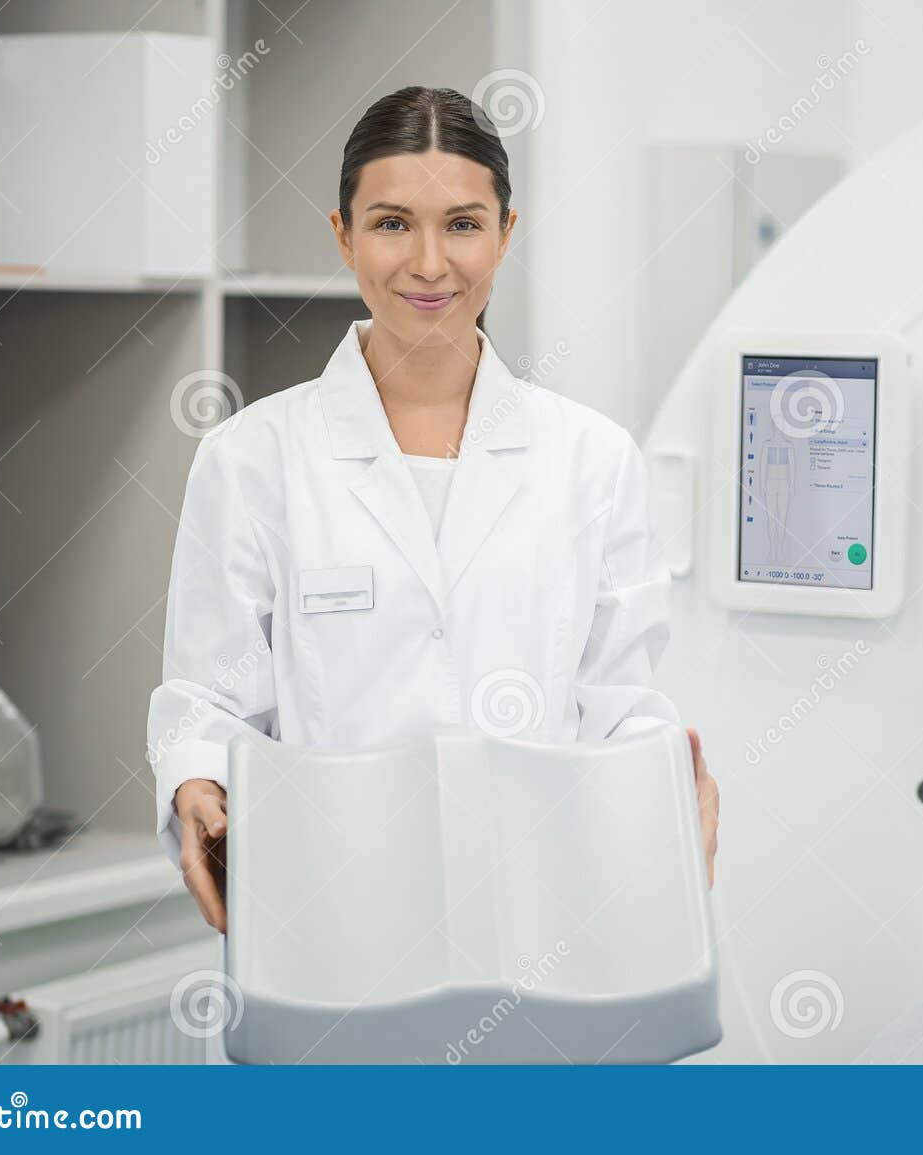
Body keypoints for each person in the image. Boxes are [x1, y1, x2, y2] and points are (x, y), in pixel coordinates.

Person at [145, 86, 718, 933]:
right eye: (390, 223)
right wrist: (194, 780)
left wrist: (668, 779)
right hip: (329, 914)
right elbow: (206, 697)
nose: (427, 263)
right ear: (342, 235)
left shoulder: (590, 458)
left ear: (505, 234)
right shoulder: (252, 458)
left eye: (462, 224)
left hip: (541, 917)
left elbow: (619, 702)